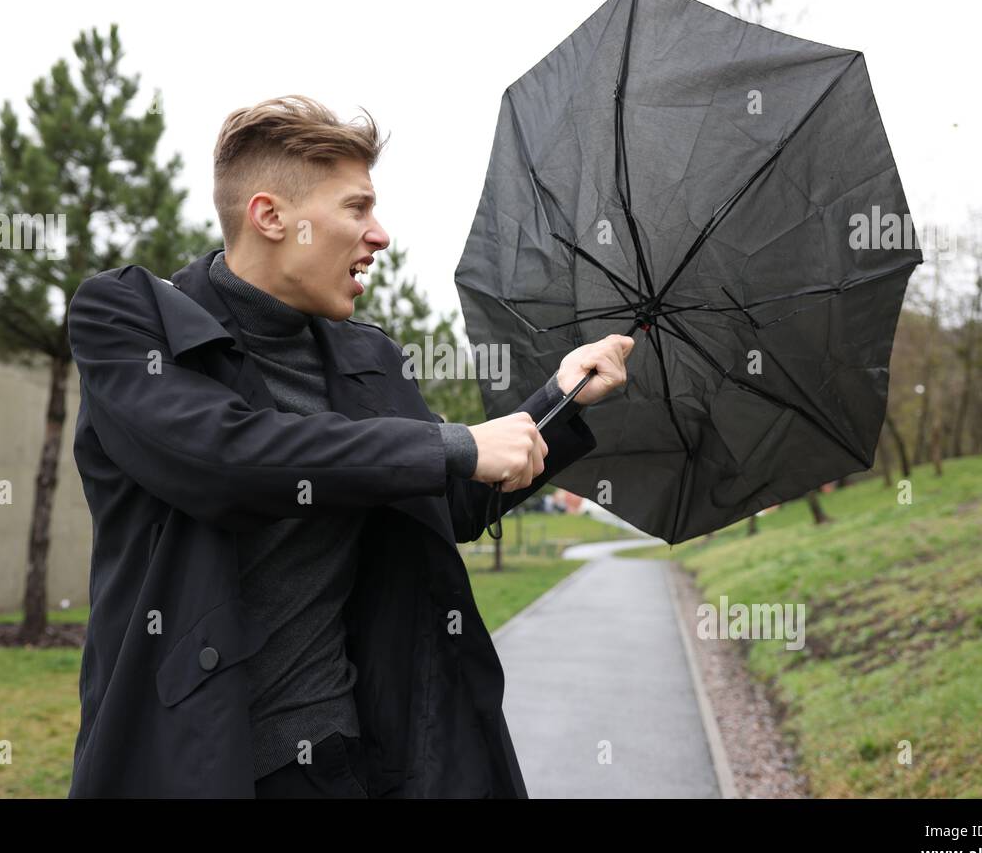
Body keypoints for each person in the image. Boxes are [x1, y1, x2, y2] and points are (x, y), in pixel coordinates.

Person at [66, 95, 634, 798]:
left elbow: (447, 500)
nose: (380, 235)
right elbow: (224, 458)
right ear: (271, 217)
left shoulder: (368, 357)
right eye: (357, 208)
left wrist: (558, 398)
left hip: (340, 758)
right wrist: (454, 443)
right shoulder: (129, 321)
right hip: (187, 760)